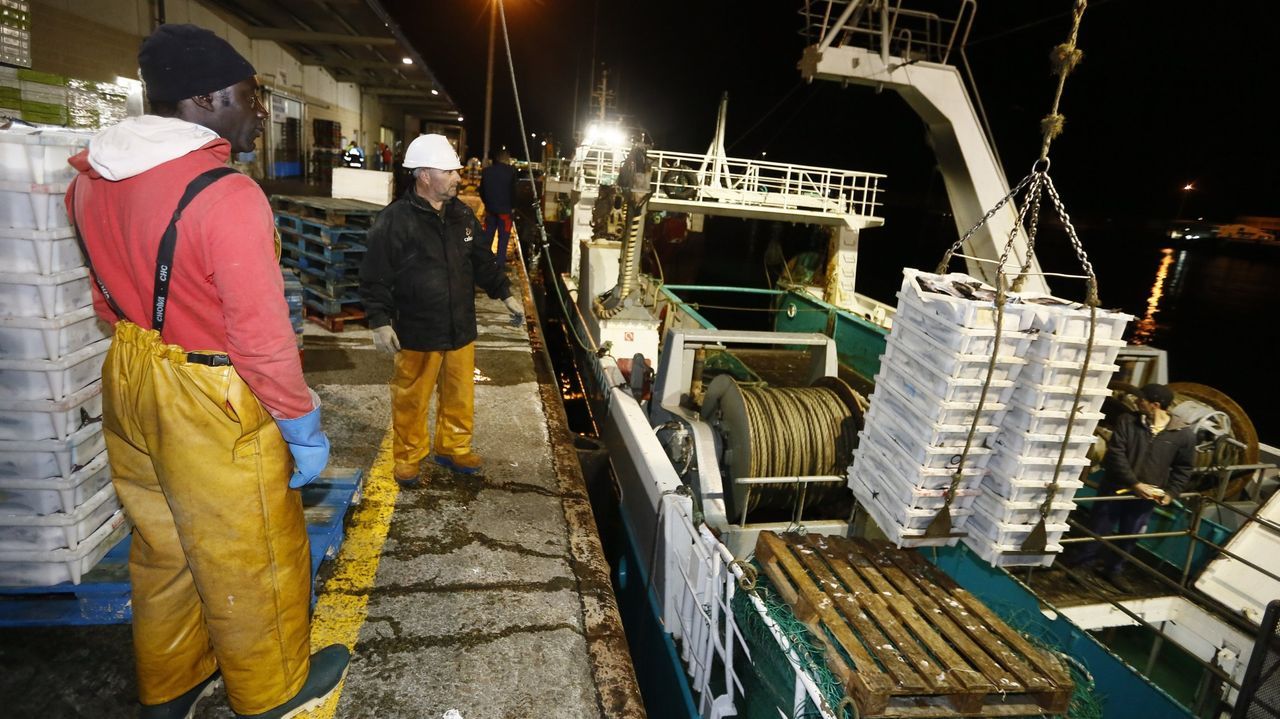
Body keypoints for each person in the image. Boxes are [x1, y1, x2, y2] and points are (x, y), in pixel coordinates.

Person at [65, 24, 348, 719]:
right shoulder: (226, 194)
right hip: (208, 394)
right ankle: (273, 687)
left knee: (162, 544)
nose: (259, 113)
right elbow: (259, 337)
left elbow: (107, 299)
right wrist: (300, 422)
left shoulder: (91, 180)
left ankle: (171, 681)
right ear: (209, 96)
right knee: (248, 547)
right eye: (251, 97)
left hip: (128, 371)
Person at [359, 134, 524, 486]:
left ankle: (453, 447)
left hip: (460, 326)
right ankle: (408, 456)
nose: (456, 178)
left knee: (460, 393)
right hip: (418, 330)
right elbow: (374, 276)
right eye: (448, 171)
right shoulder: (394, 221)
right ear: (424, 176)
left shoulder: (462, 214)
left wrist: (506, 295)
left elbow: (482, 259)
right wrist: (379, 322)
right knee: (412, 397)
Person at [1066, 383, 1198, 592]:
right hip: (1115, 488)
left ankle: (1114, 569)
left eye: (1142, 399)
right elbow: (1115, 454)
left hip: (1145, 497)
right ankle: (1082, 565)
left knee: (1130, 534)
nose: (1137, 402)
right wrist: (1135, 483)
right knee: (1099, 528)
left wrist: (1171, 493)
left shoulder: (1184, 435)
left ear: (1154, 405)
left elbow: (1183, 467)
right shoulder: (1127, 421)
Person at [478, 147, 518, 265]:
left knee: (488, 237)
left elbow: (481, 191)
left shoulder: (487, 171)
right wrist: (513, 207)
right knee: (503, 239)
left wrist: (487, 203)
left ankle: (484, 262)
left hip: (491, 211)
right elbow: (514, 192)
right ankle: (499, 265)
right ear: (506, 159)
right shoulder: (511, 172)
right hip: (505, 213)